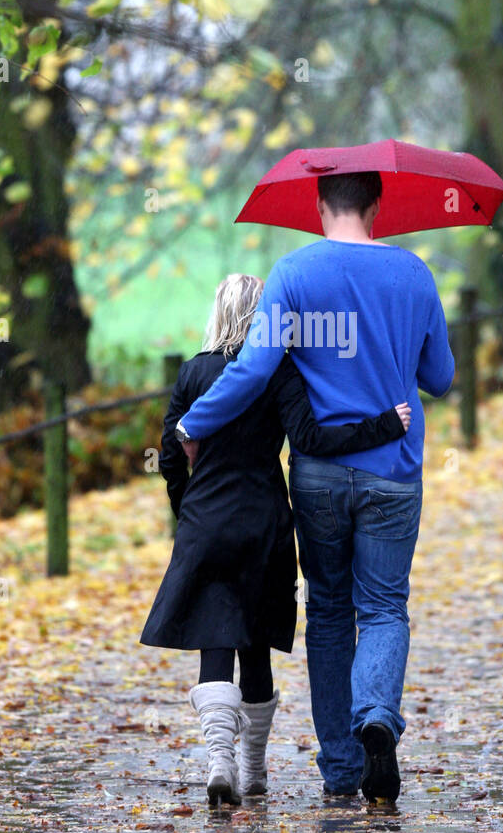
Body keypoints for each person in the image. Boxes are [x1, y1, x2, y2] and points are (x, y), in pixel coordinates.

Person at [174, 173, 454, 803]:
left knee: (329, 611)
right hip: (394, 471)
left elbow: (253, 370)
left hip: (319, 477)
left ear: (319, 207)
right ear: (377, 207)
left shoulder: (294, 274)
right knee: (383, 606)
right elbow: (440, 376)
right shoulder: (415, 274)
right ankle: (377, 716)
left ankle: (340, 769)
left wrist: (193, 422)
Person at [140, 272, 410, 806]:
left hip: (206, 523)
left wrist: (186, 511)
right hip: (265, 521)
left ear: (217, 312)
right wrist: (381, 426)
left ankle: (220, 762)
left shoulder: (194, 372)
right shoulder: (279, 371)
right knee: (256, 644)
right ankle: (254, 769)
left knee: (214, 640)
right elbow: (311, 439)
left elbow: (171, 454)